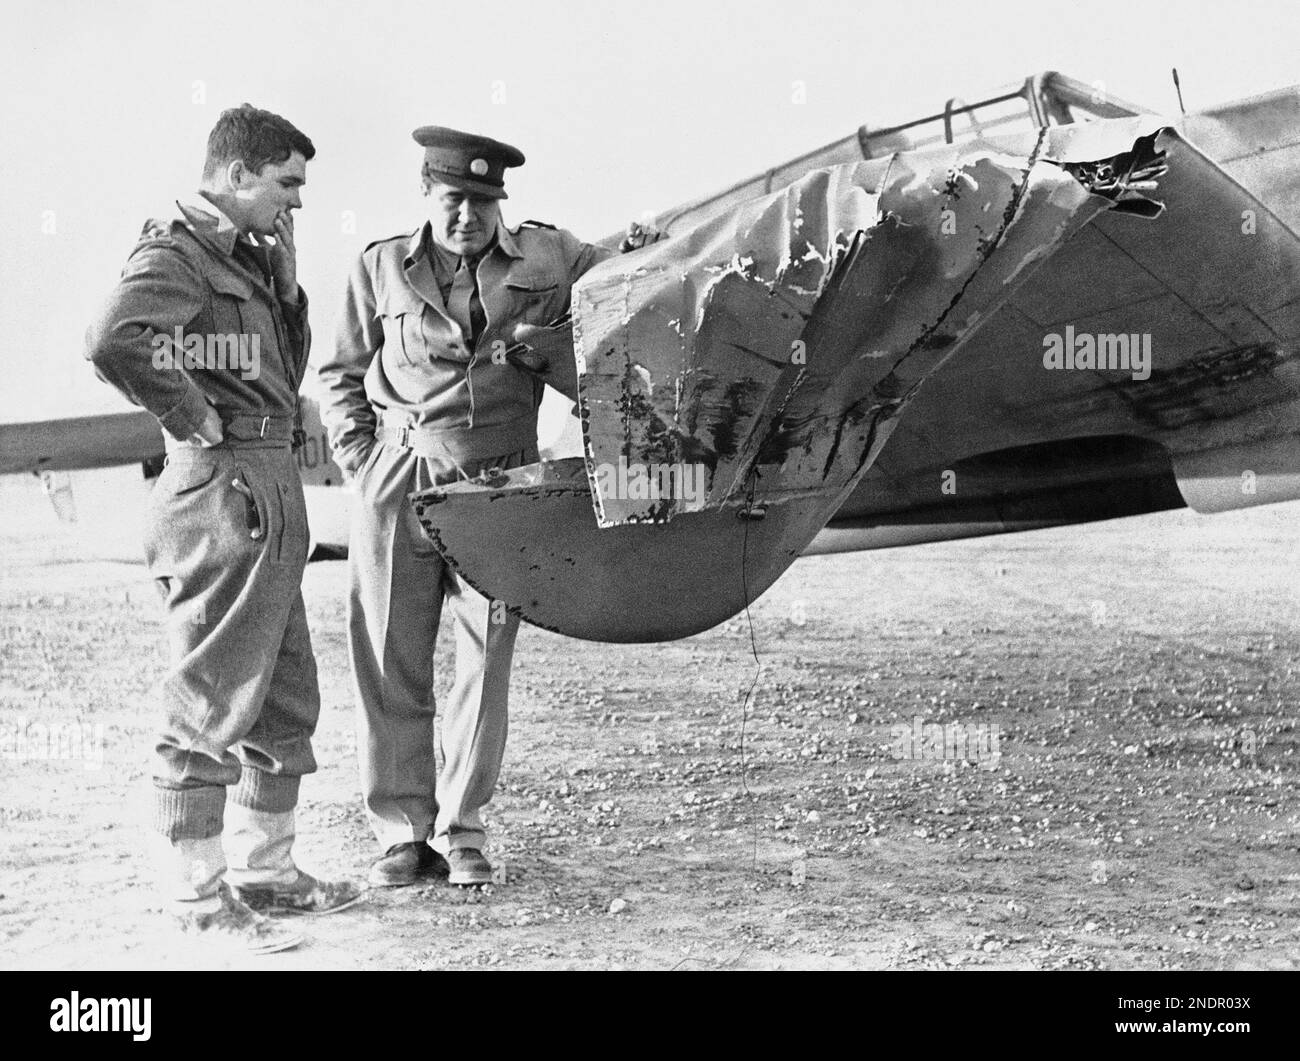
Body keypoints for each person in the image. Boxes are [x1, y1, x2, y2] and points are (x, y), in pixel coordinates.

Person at [85, 103, 360, 954]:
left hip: (270, 487)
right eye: (287, 184)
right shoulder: (177, 253)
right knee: (210, 697)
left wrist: (277, 270)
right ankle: (197, 894)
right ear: (237, 174)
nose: (298, 202)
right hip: (223, 492)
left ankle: (266, 871)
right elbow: (114, 337)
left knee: (282, 700)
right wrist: (191, 412)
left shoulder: (247, 255)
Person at [317, 126, 614, 887]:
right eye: (454, 200)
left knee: (486, 660)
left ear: (500, 206)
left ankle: (463, 829)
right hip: (400, 477)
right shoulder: (380, 266)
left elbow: (617, 277)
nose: (467, 218)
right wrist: (363, 459)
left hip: (501, 480)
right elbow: (341, 373)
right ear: (428, 193)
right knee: (390, 658)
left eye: (483, 203)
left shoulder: (548, 258)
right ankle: (400, 832)